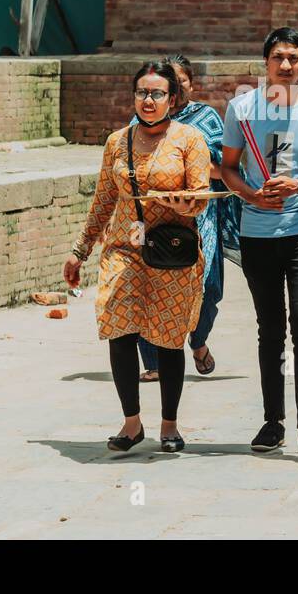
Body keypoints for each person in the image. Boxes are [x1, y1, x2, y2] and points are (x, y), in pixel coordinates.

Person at [64, 61, 212, 453]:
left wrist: (185, 204)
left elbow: (200, 196)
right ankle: (131, 423)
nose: (149, 100)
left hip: (171, 250)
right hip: (124, 247)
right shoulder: (118, 141)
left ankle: (169, 425)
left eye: (157, 94)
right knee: (119, 328)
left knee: (167, 338)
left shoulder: (189, 140)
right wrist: (80, 252)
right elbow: (103, 200)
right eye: (142, 93)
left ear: (173, 99)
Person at [220, 27, 298, 461]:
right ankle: (272, 421)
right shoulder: (241, 109)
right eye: (279, 57)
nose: (287, 65)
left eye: (294, 58)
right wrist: (252, 195)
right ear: (266, 62)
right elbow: (228, 169)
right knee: (270, 330)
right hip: (257, 233)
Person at [135, 55, 231, 381]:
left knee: (210, 290)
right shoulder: (144, 120)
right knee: (149, 285)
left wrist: (186, 162)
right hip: (155, 217)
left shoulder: (206, 119)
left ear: (191, 84)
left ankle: (199, 340)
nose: (174, 88)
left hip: (201, 219)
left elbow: (223, 169)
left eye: (181, 81)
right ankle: (154, 362)